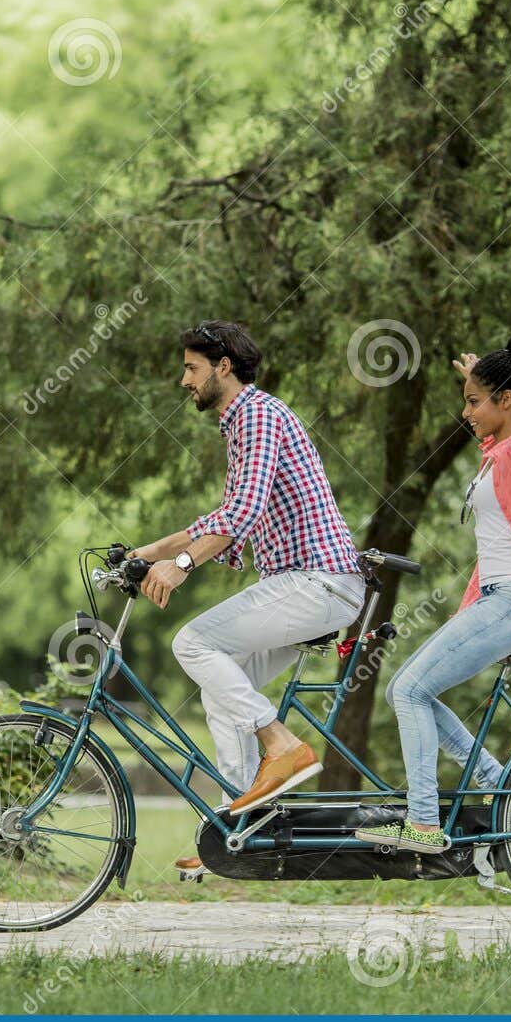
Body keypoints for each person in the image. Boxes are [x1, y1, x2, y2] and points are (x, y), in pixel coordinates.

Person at [128, 321, 367, 872]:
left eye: (191, 367)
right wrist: (145, 553)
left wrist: (181, 563)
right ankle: (232, 833)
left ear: (223, 366)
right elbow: (223, 517)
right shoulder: (242, 423)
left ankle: (282, 745)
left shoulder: (257, 415)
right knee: (224, 684)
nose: (183, 379)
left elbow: (242, 512)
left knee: (192, 643)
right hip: (305, 586)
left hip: (317, 581)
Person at [357, 331, 511, 853]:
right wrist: (476, 381)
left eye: (474, 402)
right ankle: (493, 778)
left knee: (409, 690)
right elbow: (498, 438)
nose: (466, 412)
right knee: (409, 690)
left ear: (506, 401)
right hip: (500, 601)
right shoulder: (499, 451)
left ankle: (422, 823)